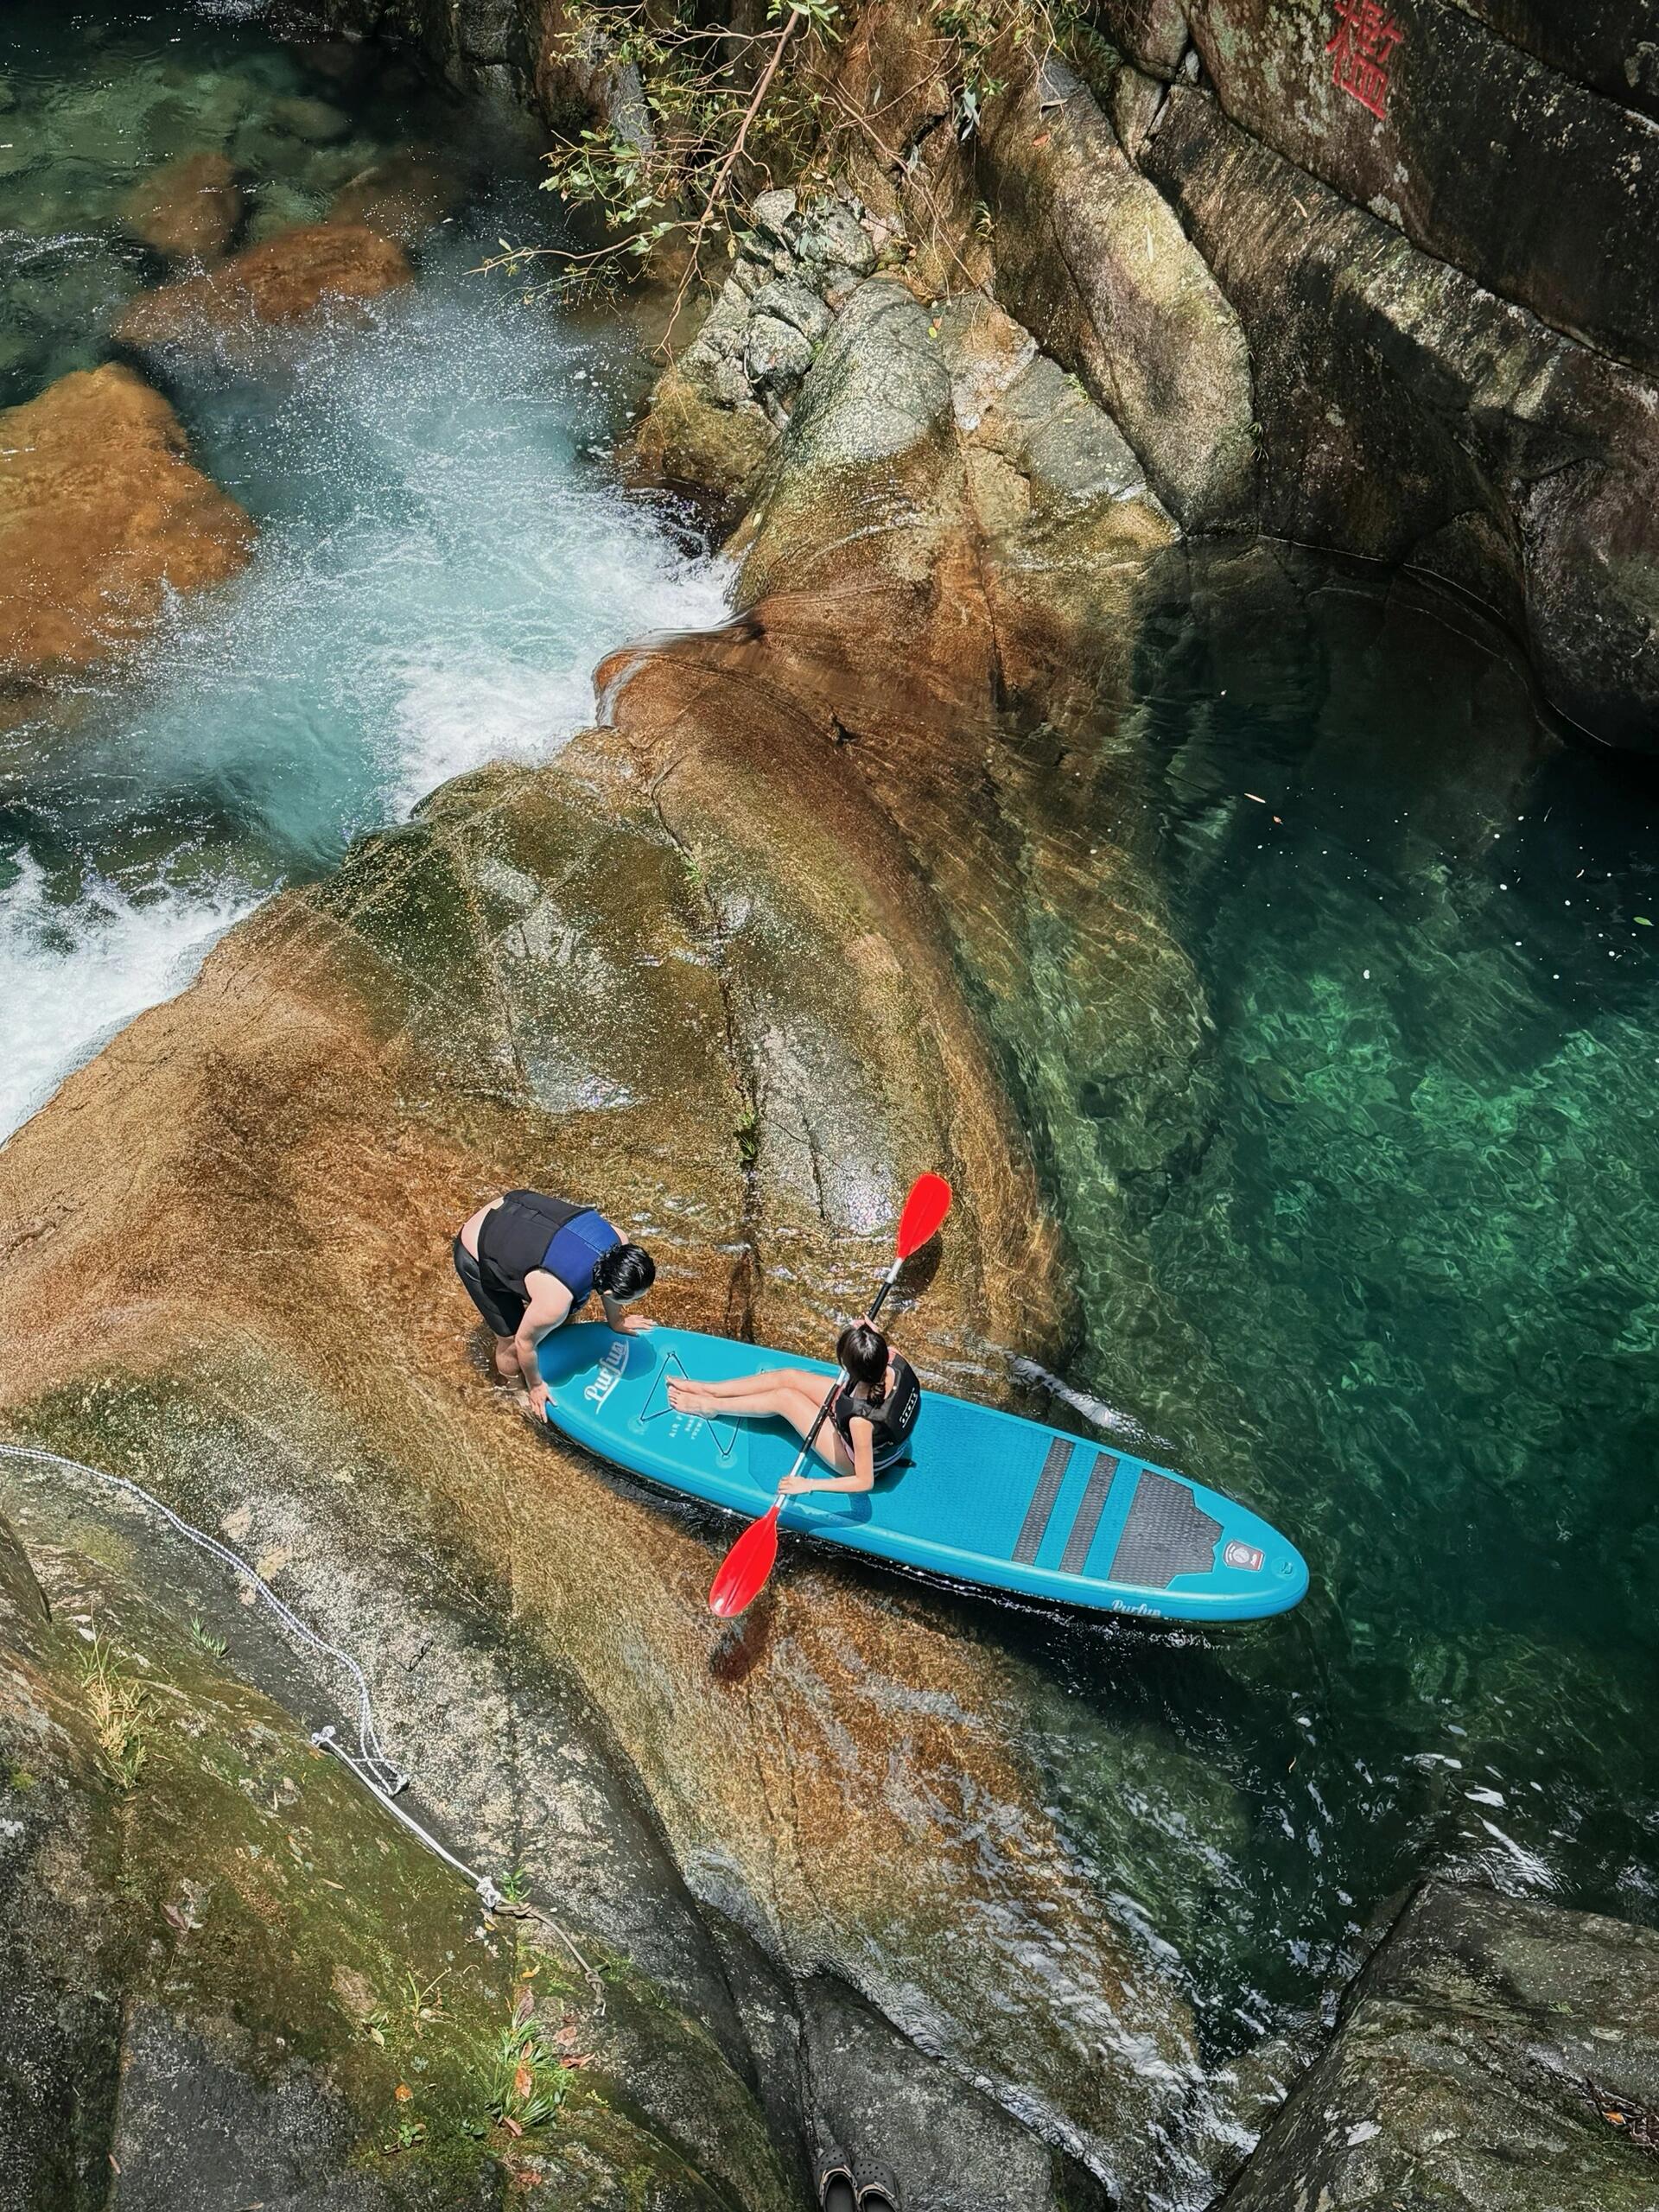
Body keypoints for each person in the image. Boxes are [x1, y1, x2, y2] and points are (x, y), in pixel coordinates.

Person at [454, 1189, 654, 1420]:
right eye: (633, 1299)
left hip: (517, 1208)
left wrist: (616, 1320)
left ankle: (525, 1280)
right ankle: (511, 1390)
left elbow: (606, 1290)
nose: (637, 1302)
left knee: (552, 1315)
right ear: (609, 1290)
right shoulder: (555, 1303)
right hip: (476, 1247)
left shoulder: (618, 1239)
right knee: (510, 1341)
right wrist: (536, 1386)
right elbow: (524, 1343)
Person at [667, 1321, 919, 1493]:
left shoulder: (860, 1422)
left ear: (853, 1371)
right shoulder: (895, 1358)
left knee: (784, 1398)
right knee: (789, 1376)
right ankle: (710, 1389)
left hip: (856, 1460)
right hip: (868, 1408)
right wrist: (866, 1334)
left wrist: (808, 1484)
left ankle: (711, 1406)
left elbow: (865, 1481)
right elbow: (877, 1350)